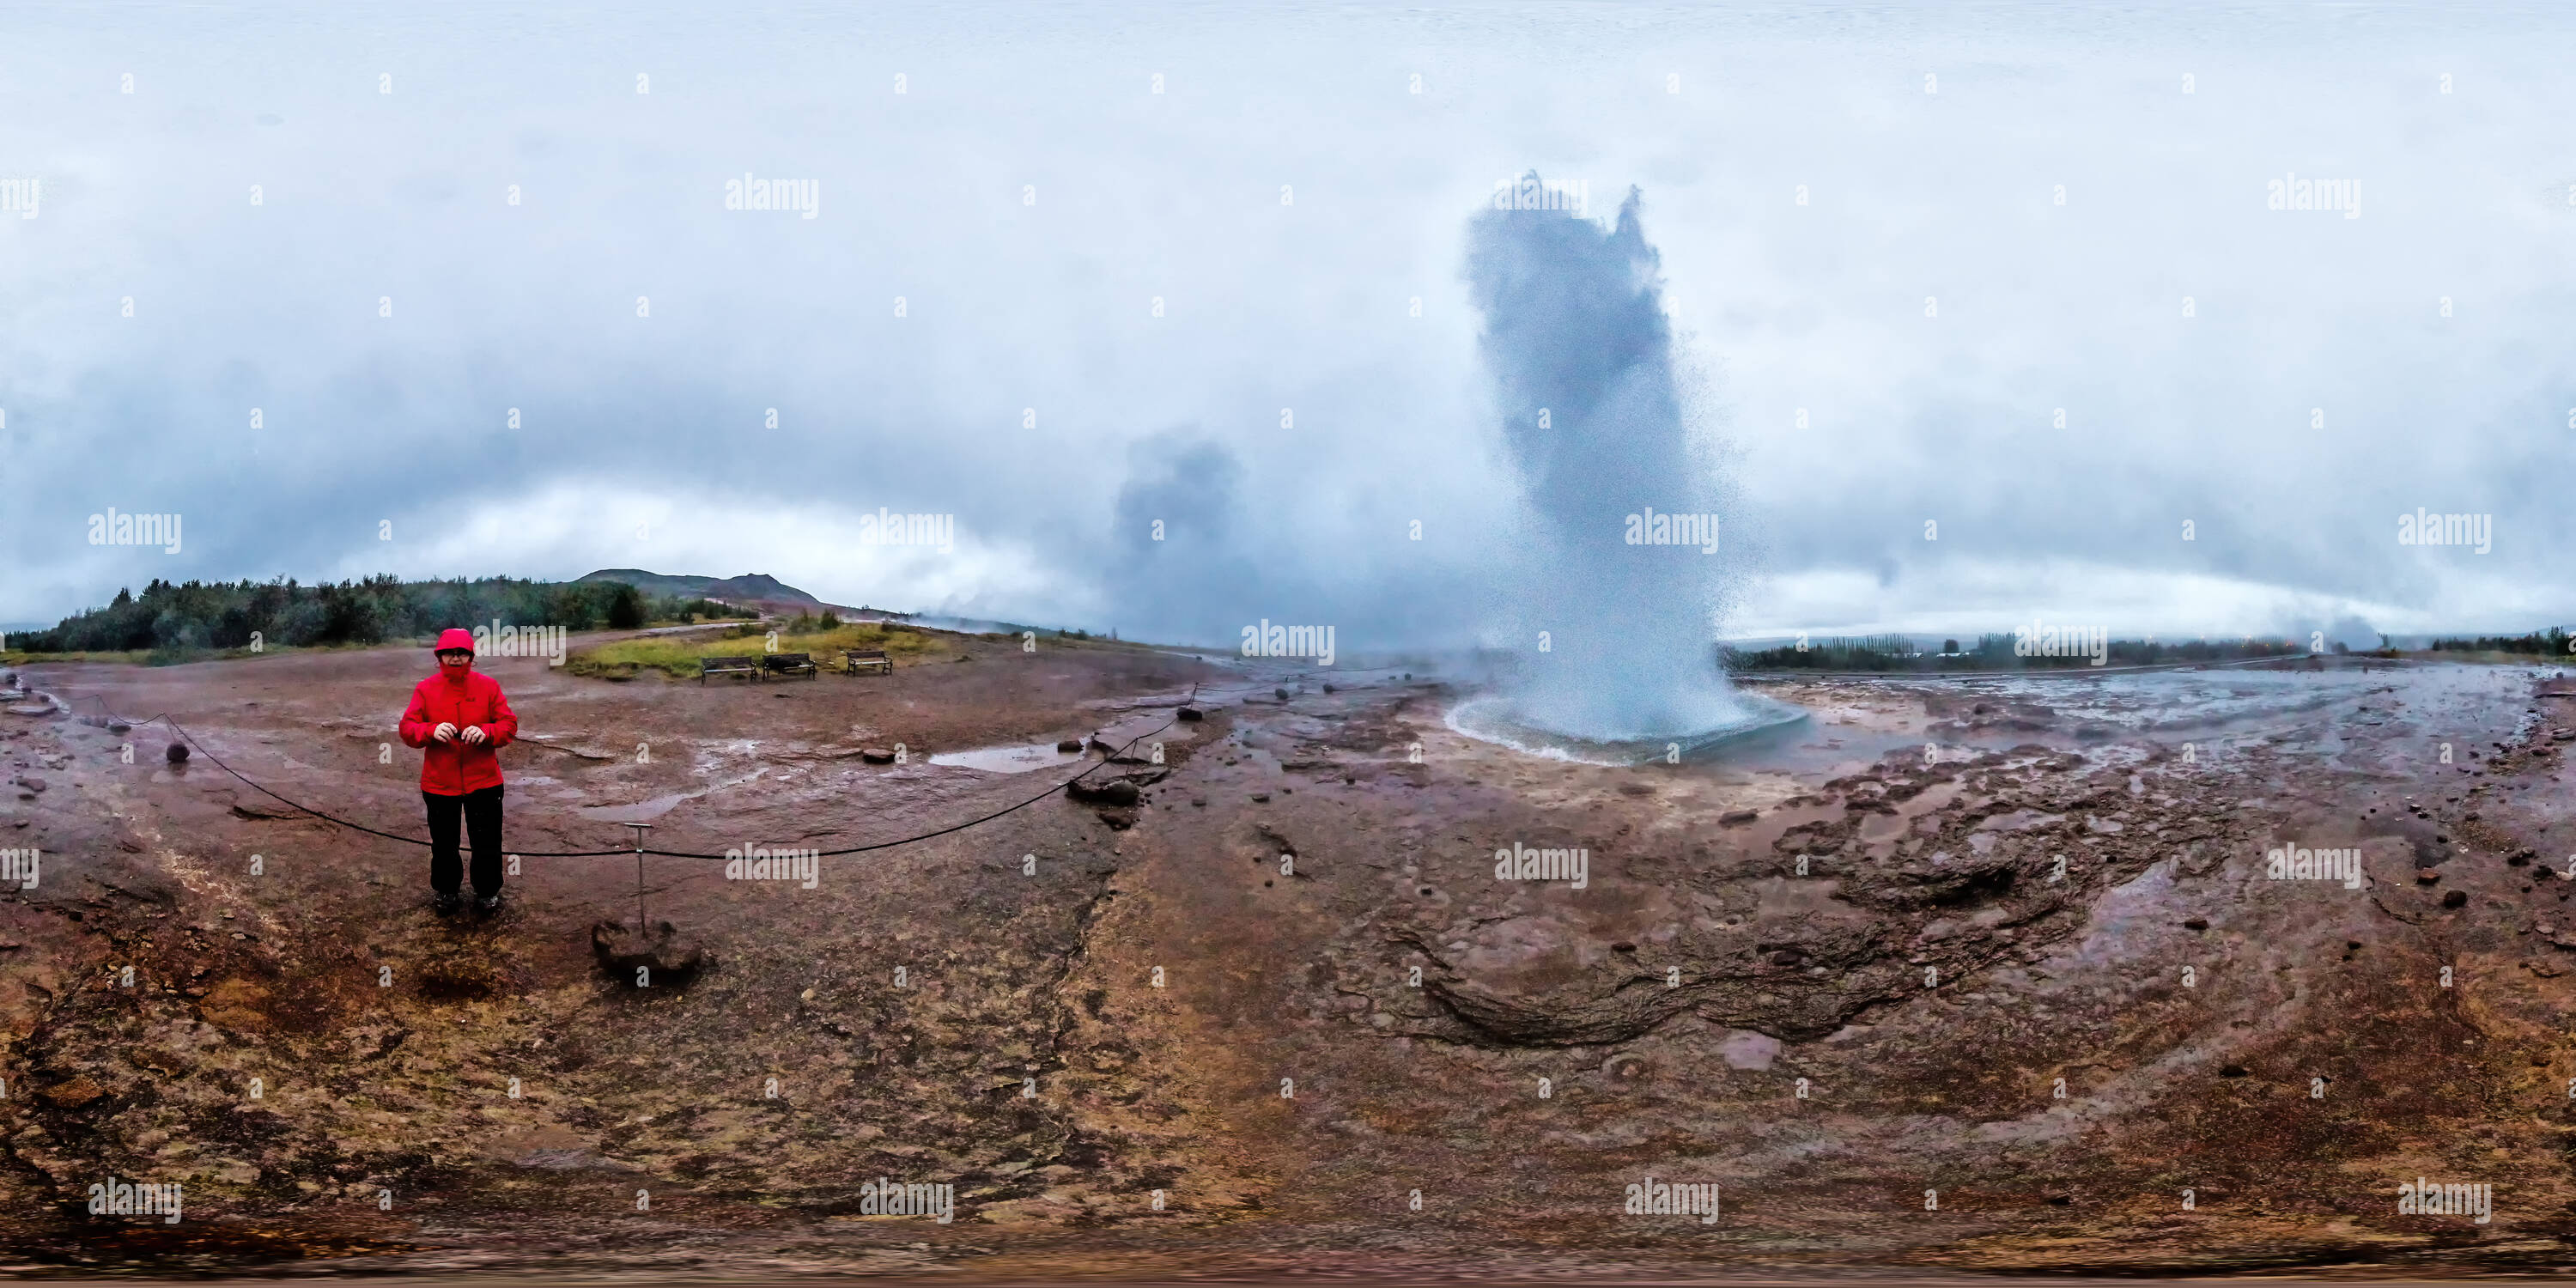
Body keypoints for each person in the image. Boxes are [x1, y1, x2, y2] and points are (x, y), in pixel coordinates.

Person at [398, 628, 519, 916]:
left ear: (471, 656)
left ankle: (488, 892)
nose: (455, 658)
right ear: (439, 656)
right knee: (444, 843)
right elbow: (407, 729)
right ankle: (446, 891)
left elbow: (508, 725)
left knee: (487, 842)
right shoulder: (425, 689)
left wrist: (487, 732)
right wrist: (430, 730)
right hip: (440, 783)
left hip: (485, 781)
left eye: (461, 652)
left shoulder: (488, 687)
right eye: (449, 653)